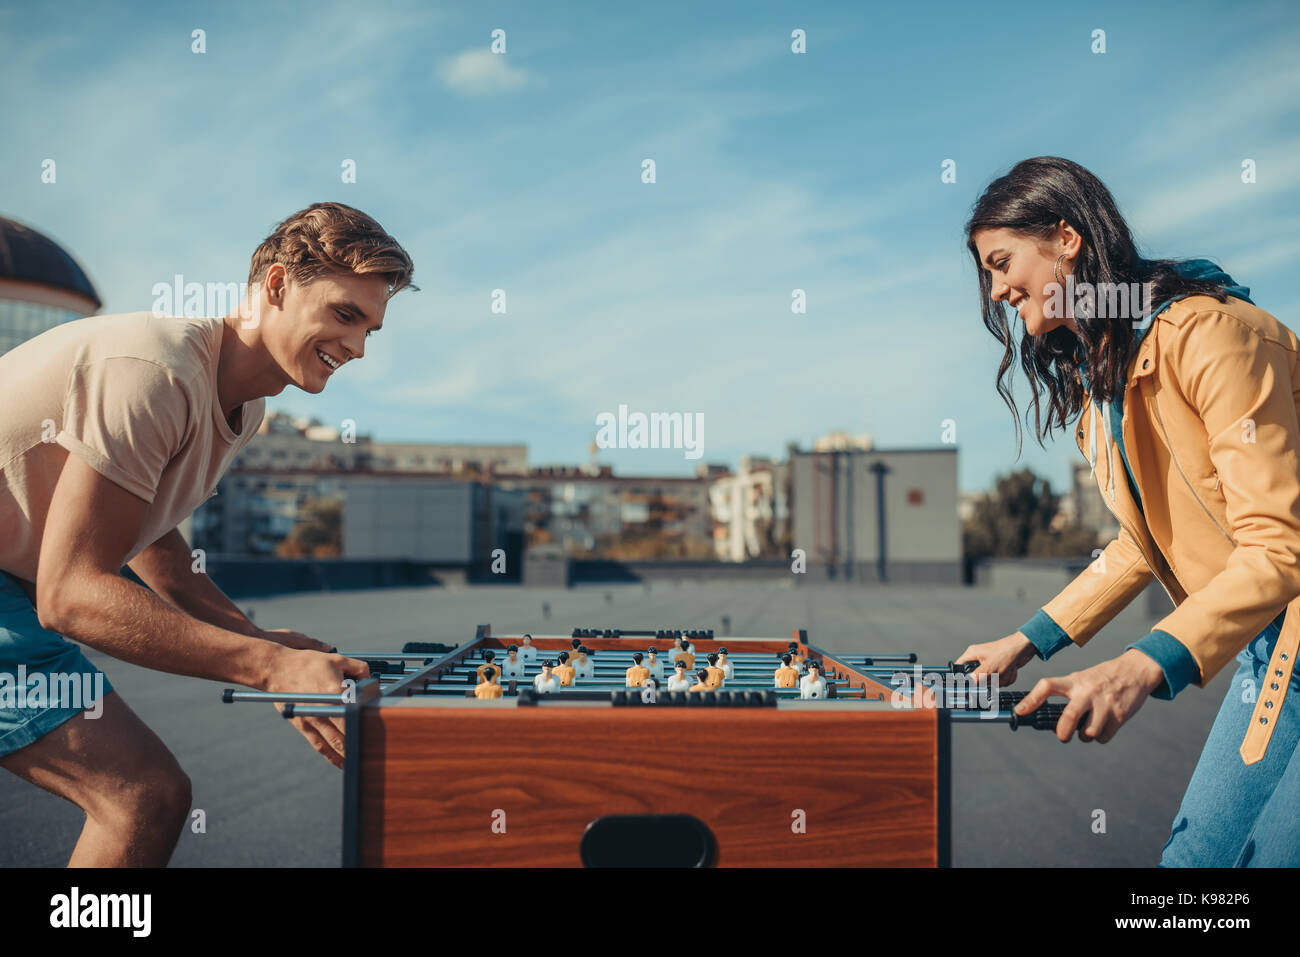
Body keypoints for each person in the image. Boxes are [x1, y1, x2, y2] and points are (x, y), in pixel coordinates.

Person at [0, 202, 411, 866]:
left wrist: (261, 645)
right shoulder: (157, 368)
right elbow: (70, 594)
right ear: (276, 285)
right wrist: (272, 667)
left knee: (146, 799)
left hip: (14, 592)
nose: (359, 347)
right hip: (19, 594)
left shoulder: (244, 407)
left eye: (371, 328)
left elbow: (153, 542)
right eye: (345, 314)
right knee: (142, 800)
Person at [958, 156, 1300, 867]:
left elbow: (1279, 548)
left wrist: (1137, 666)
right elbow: (1142, 544)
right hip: (1276, 654)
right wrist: (1026, 642)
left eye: (1002, 262)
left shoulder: (1213, 335)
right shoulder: (1103, 389)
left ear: (1067, 237)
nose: (996, 289)